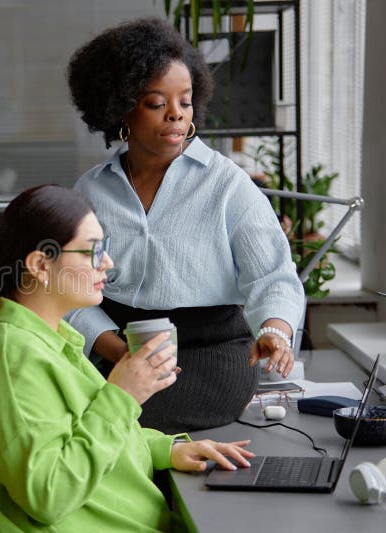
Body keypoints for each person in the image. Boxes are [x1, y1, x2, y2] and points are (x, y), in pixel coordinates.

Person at [0, 185, 253, 532]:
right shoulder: (10, 361)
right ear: (40, 265)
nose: (107, 263)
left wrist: (165, 450)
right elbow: (50, 494)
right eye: (93, 252)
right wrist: (122, 395)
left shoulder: (51, 341)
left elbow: (88, 436)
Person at [65, 18, 305, 433]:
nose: (176, 114)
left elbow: (274, 278)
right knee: (73, 411)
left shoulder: (227, 184)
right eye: (157, 104)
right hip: (113, 345)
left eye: (186, 102)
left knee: (117, 421)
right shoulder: (91, 190)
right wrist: (114, 348)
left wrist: (274, 331)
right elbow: (68, 288)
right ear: (120, 108)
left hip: (210, 356)